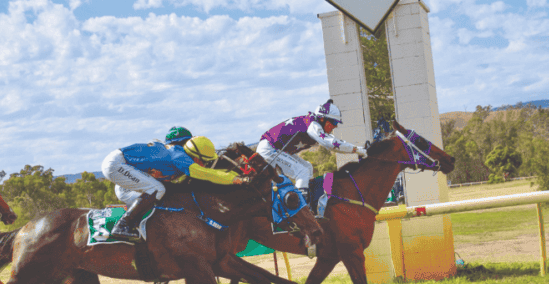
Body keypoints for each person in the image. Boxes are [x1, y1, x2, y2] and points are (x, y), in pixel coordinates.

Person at [101, 136, 247, 242]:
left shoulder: (180, 153)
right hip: (115, 164)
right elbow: (204, 173)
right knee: (158, 189)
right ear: (195, 157)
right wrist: (234, 179)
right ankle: (122, 225)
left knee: (161, 190)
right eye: (203, 161)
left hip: (121, 163)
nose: (204, 164)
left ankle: (134, 224)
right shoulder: (180, 157)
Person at [256, 99, 366, 199]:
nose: (335, 126)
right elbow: (332, 144)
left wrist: (356, 149)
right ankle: (299, 206)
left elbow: (333, 140)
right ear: (322, 119)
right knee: (302, 172)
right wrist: (356, 150)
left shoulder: (314, 124)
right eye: (334, 122)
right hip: (269, 149)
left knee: (307, 167)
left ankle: (308, 200)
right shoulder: (313, 125)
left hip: (276, 148)